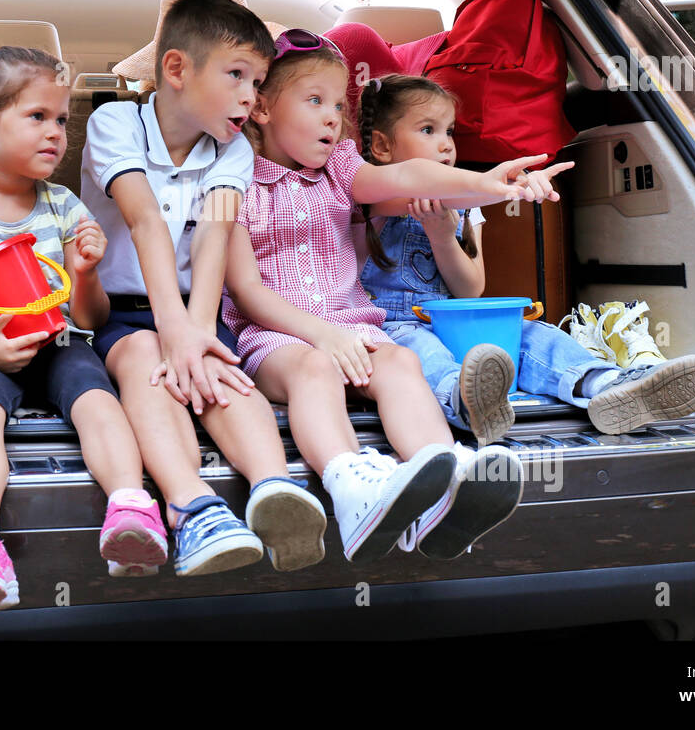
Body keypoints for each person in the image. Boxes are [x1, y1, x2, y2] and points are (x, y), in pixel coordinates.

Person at [220, 29, 551, 563]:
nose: (333, 116)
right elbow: (246, 290)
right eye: (314, 101)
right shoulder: (233, 178)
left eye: (337, 105)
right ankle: (352, 488)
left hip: (355, 328)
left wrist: (492, 184)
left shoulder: (341, 171)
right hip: (278, 337)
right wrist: (323, 334)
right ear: (260, 107)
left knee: (398, 361)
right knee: (314, 369)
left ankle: (444, 480)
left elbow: (410, 174)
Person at [81, 0, 329, 576]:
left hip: (196, 307)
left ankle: (274, 488)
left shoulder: (232, 151)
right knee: (149, 363)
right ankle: (192, 506)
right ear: (175, 70)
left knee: (222, 375)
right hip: (120, 311)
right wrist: (174, 333)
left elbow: (214, 234)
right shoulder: (115, 123)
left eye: (258, 80)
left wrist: (196, 330)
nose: (251, 96)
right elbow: (142, 219)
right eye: (238, 75)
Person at [0, 35, 166, 618]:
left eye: (61, 119)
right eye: (37, 116)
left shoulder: (63, 206)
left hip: (61, 341)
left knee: (97, 398)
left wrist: (85, 273)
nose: (56, 132)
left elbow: (91, 319)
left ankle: (131, 509)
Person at [355, 73, 695, 441]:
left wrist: (442, 234)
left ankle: (605, 385)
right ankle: (465, 400)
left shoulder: (468, 209)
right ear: (383, 146)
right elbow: (421, 181)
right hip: (390, 329)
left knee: (529, 334)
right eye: (428, 130)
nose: (446, 145)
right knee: (420, 352)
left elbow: (469, 290)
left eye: (449, 131)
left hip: (453, 321)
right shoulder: (370, 197)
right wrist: (492, 187)